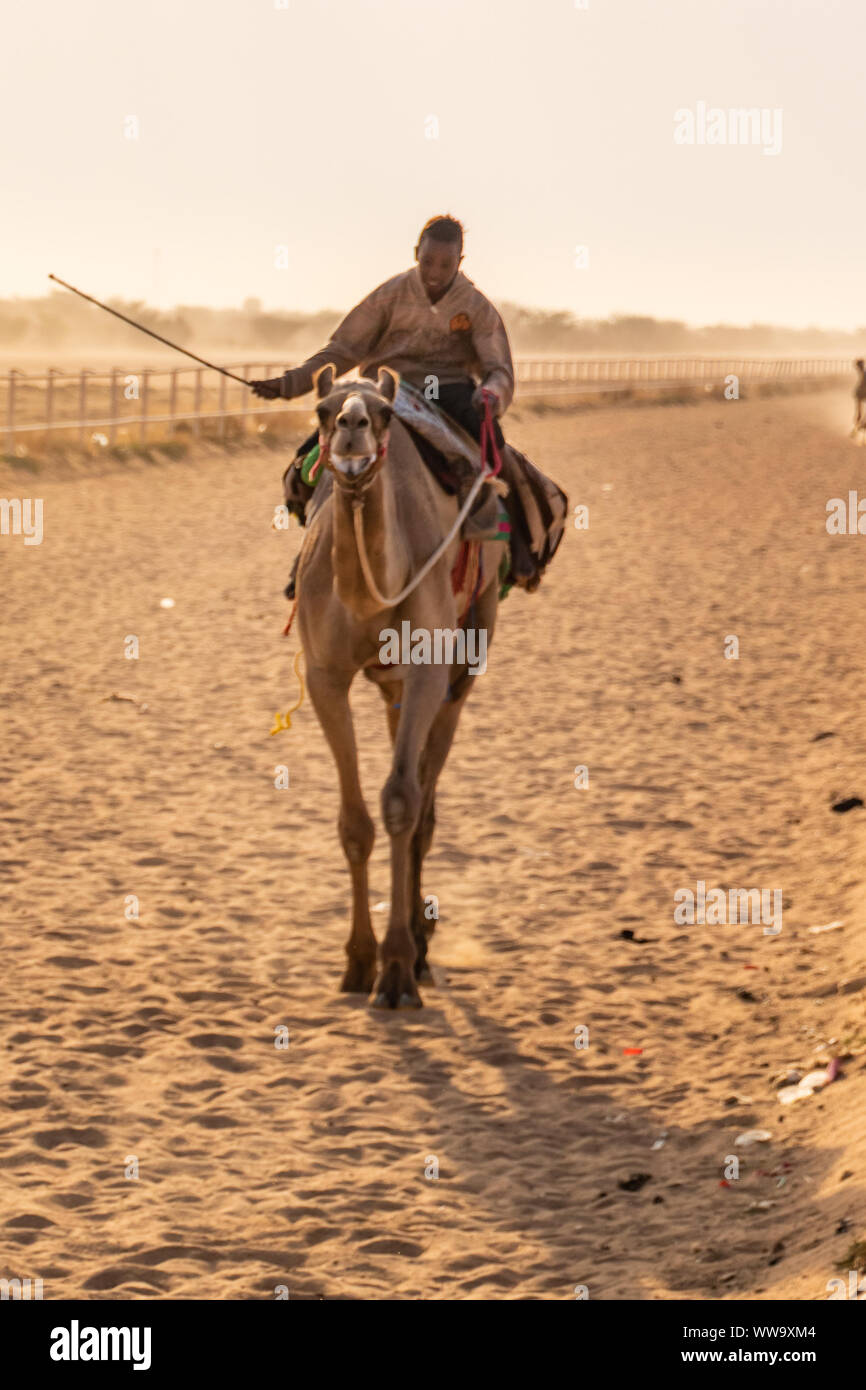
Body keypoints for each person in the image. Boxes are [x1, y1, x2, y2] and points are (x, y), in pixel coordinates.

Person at [251, 215, 565, 593]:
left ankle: (515, 542)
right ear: (417, 253)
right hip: (386, 387)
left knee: (495, 451)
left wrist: (491, 396)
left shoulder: (476, 307)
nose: (435, 272)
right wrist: (289, 383)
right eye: (428, 261)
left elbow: (499, 369)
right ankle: (309, 550)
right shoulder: (390, 294)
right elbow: (343, 348)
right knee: (313, 456)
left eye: (445, 265)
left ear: (459, 262)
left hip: (447, 388)